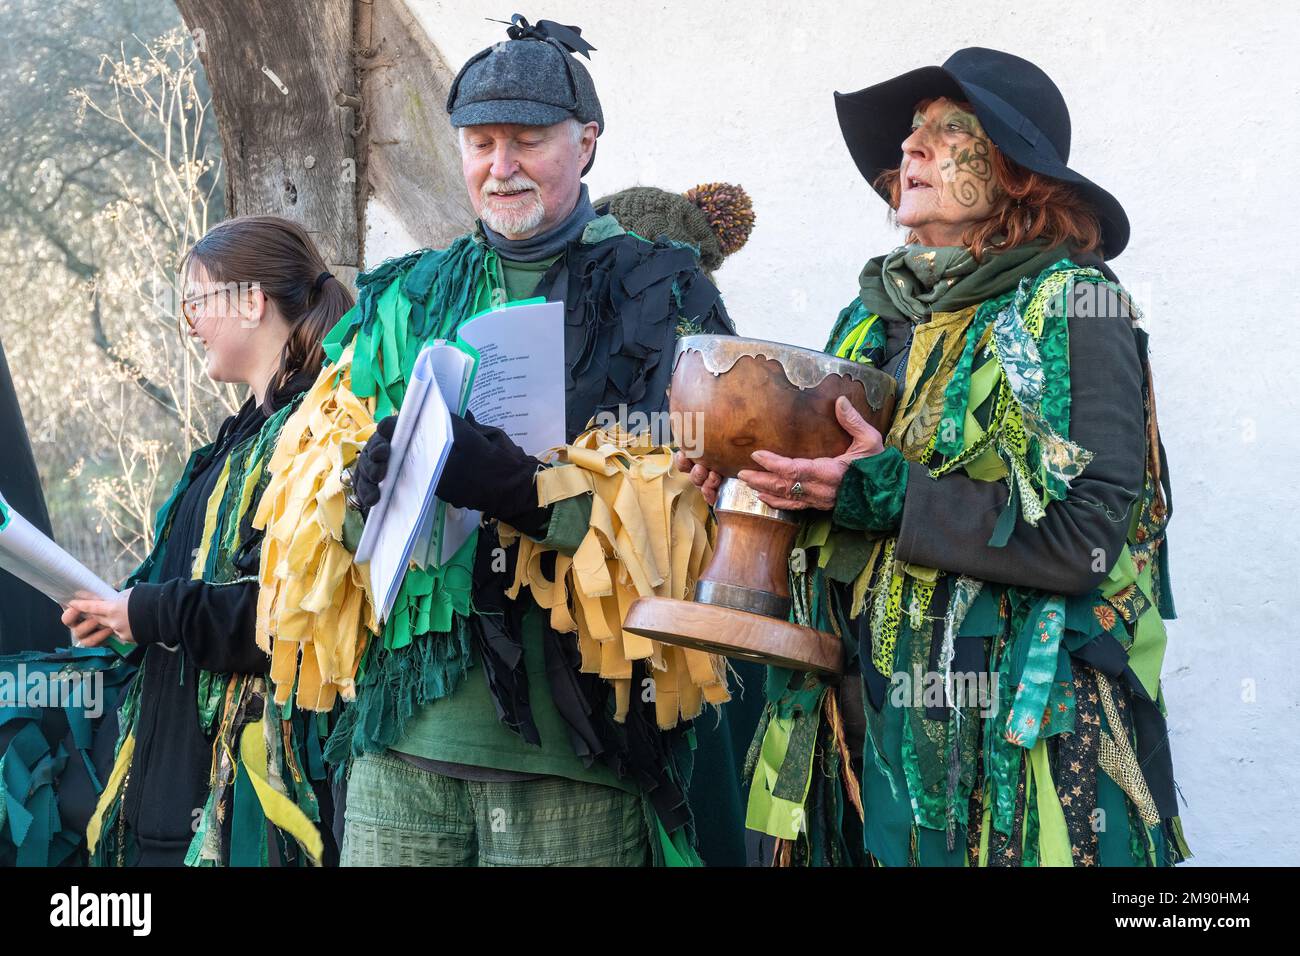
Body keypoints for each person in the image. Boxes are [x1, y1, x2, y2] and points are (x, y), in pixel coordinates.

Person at [682, 48, 1185, 867]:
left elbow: (1090, 535)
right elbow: (832, 491)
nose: (909, 151)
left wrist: (888, 496)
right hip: (857, 744)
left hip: (1016, 760)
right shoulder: (870, 317)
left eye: (948, 132)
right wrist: (747, 472)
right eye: (911, 136)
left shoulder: (1078, 306)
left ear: (1018, 174)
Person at [309, 16, 738, 867]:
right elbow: (314, 518)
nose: (500, 168)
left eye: (528, 142)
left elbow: (698, 507)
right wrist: (366, 490)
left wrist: (519, 489)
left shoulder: (665, 289)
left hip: (578, 761)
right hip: (401, 754)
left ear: (586, 144)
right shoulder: (401, 298)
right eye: (480, 143)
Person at [64, 215, 353, 866]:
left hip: (246, 818)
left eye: (195, 300)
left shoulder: (312, 437)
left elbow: (279, 619)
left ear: (251, 301)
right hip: (171, 803)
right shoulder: (237, 441)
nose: (186, 321)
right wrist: (122, 615)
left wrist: (148, 611)